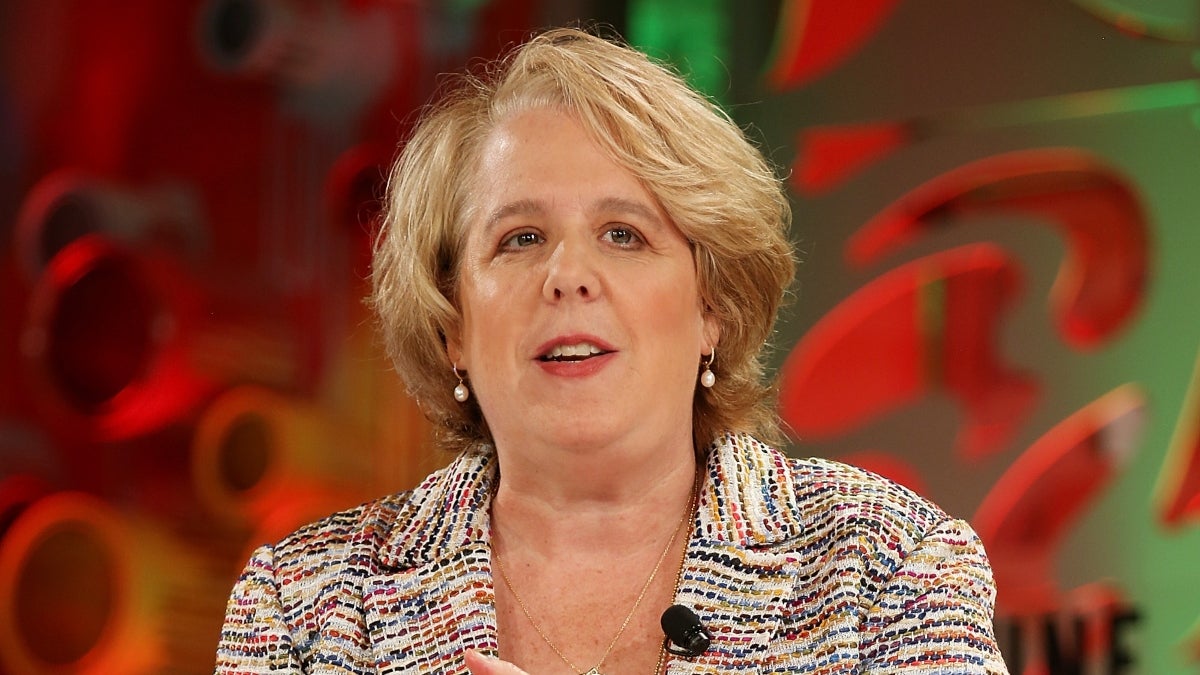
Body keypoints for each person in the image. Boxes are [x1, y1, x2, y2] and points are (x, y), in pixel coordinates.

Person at [215, 27, 1009, 675]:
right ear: (453, 324)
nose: (568, 275)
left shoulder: (887, 569)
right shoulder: (306, 606)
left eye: (623, 234)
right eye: (521, 238)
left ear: (712, 306)